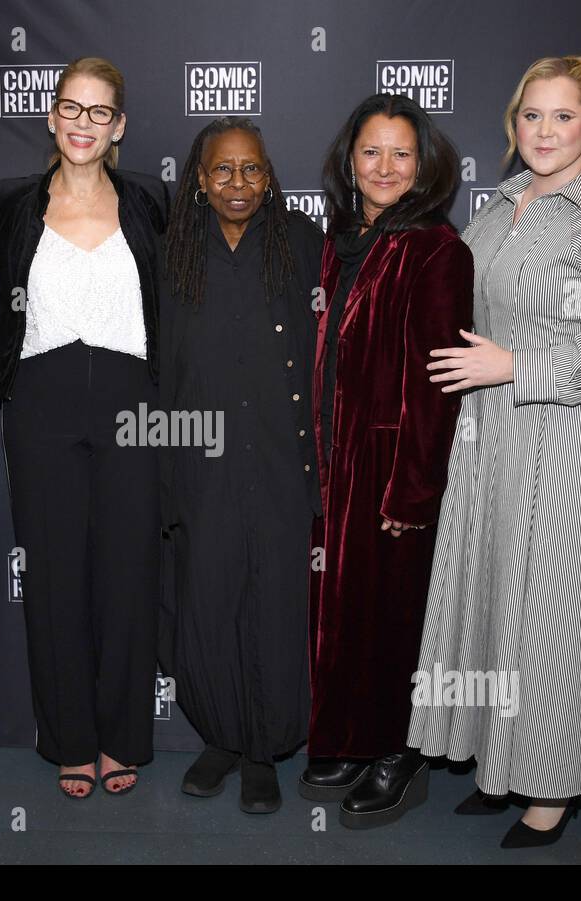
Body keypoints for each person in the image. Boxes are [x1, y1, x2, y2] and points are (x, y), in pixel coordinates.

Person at [407, 56, 581, 848]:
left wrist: (516, 364)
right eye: (530, 116)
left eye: (561, 117)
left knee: (549, 615)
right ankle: (501, 760)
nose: (544, 132)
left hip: (564, 443)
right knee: (494, 599)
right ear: (512, 123)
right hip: (489, 439)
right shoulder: (504, 202)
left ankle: (549, 789)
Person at [0, 57, 167, 798]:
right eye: (71, 108)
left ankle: (123, 736)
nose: (83, 123)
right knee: (54, 576)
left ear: (118, 125)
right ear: (51, 116)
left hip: (134, 399)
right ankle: (69, 737)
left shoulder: (152, 200)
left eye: (100, 112)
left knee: (128, 572)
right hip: (41, 399)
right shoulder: (11, 201)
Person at [299, 94, 473, 830]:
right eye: (371, 151)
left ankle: (402, 753)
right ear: (348, 160)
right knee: (343, 612)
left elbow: (438, 383)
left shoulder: (436, 249)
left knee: (397, 617)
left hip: (390, 462)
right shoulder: (339, 242)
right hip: (333, 460)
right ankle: (349, 736)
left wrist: (413, 486)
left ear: (425, 165)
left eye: (402, 153)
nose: (385, 167)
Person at [159, 118, 323, 813]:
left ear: (269, 175)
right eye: (222, 170)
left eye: (251, 169)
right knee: (209, 601)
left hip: (282, 459)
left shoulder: (304, 244)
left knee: (277, 606)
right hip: (199, 462)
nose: (237, 183)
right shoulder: (170, 252)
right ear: (199, 178)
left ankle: (264, 751)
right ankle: (222, 737)